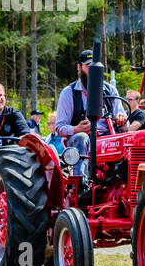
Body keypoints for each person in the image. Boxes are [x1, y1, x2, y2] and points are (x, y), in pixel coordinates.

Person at [55, 49, 128, 179]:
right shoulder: (69, 93)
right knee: (82, 138)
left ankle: (128, 184)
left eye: (95, 66)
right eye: (88, 66)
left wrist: (121, 118)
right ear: (79, 67)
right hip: (81, 139)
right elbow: (60, 127)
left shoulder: (110, 90)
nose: (93, 71)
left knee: (130, 139)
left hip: (108, 137)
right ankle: (81, 184)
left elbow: (121, 115)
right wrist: (76, 129)